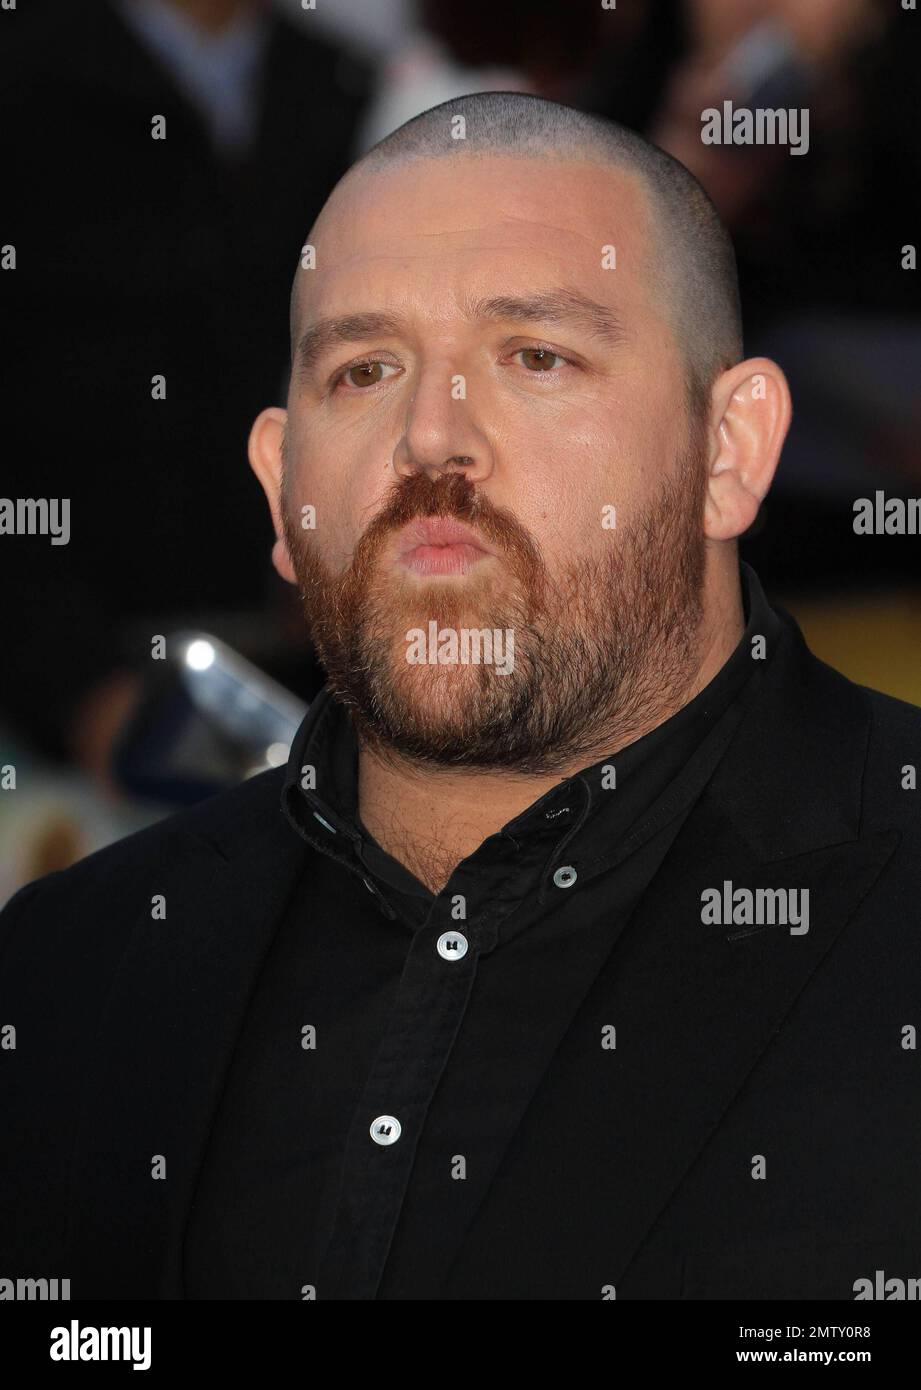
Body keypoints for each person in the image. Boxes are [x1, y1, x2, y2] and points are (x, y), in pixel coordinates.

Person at [1, 92, 919, 1302]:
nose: (431, 438)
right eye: (365, 368)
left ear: (729, 449)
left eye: (535, 357)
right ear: (281, 486)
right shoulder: (63, 973)